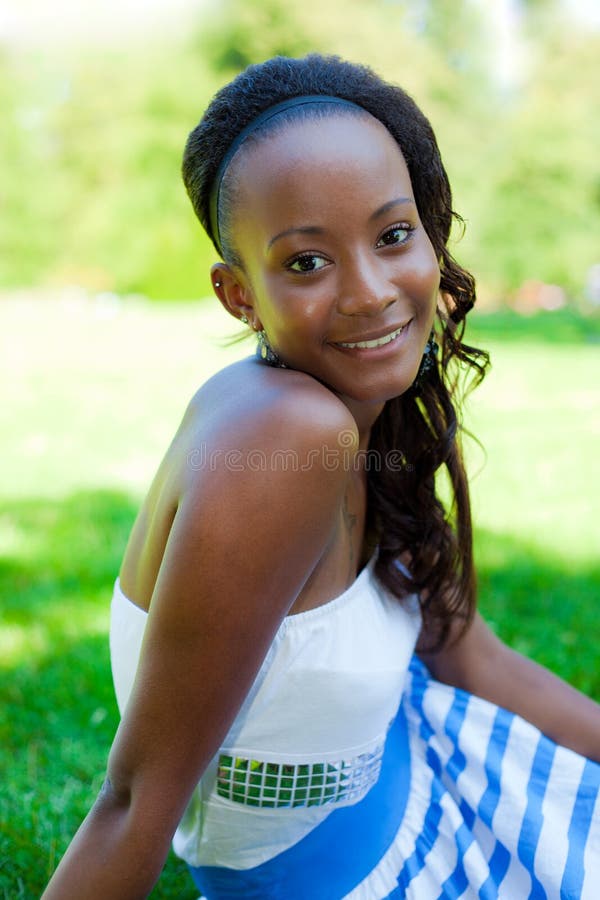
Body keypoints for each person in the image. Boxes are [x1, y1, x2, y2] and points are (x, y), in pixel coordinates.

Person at [43, 53, 600, 900]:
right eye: (307, 262)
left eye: (392, 235)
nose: (371, 292)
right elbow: (132, 805)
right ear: (238, 295)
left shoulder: (360, 420)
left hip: (435, 762)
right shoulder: (288, 435)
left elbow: (470, 657)